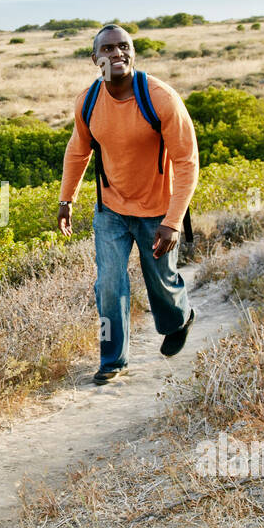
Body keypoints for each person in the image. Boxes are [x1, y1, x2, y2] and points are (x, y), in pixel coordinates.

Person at [56, 24, 200, 385]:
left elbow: (186, 161)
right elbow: (78, 151)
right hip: (111, 211)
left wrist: (173, 220)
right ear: (95, 59)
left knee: (161, 280)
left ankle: (179, 318)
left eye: (124, 46)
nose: (116, 53)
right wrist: (66, 199)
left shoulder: (160, 98)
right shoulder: (88, 102)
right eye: (107, 49)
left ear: (132, 52)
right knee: (108, 284)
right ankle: (112, 359)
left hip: (158, 210)